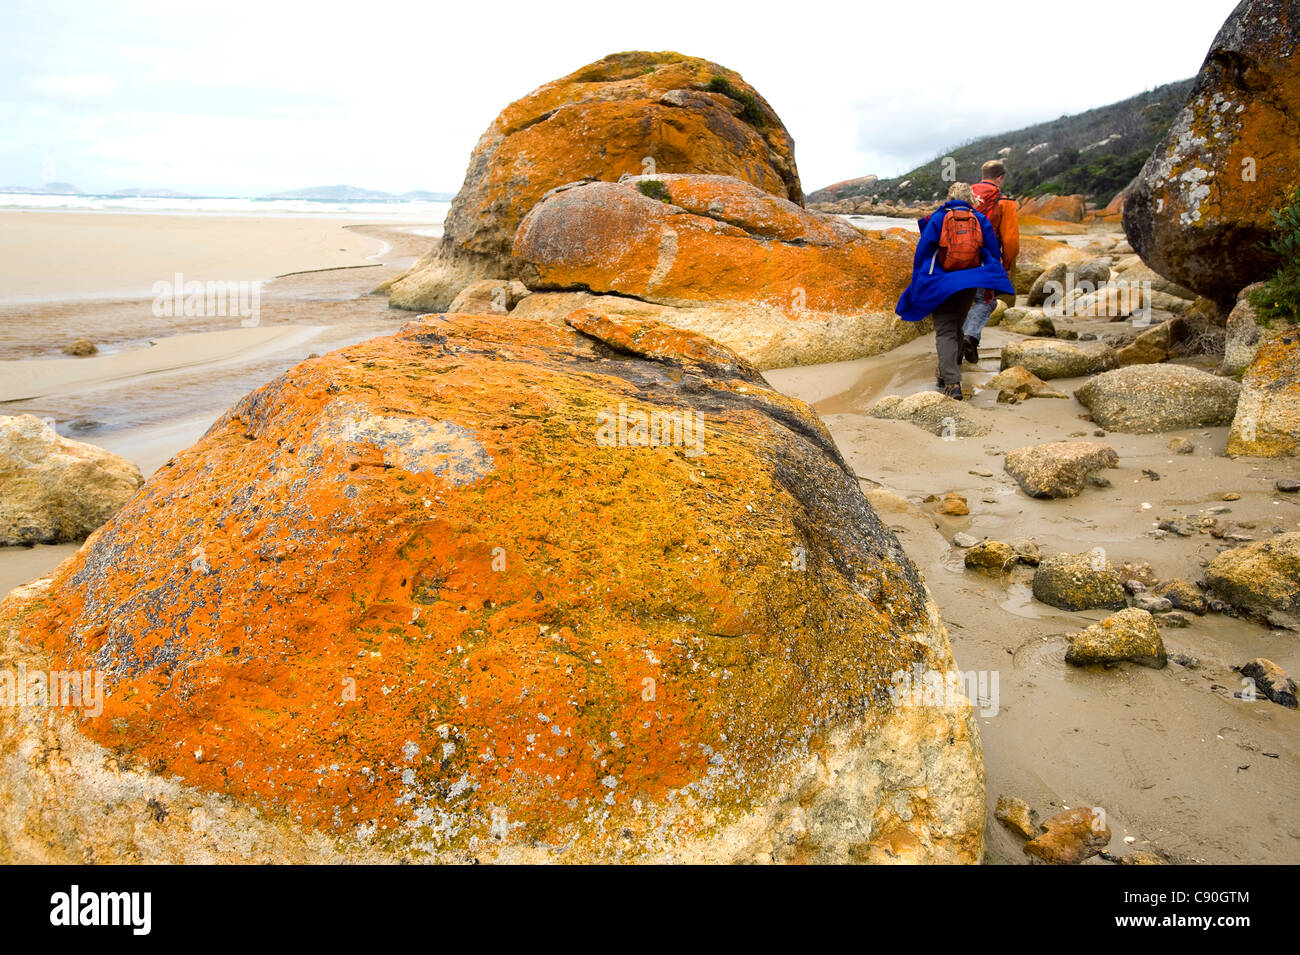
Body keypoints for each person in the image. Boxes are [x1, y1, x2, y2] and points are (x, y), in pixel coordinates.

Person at [895, 181, 1014, 400]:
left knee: (945, 331)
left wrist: (918, 285)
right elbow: (992, 255)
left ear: (949, 198)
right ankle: (947, 372)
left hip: (941, 284)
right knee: (957, 326)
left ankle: (951, 382)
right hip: (969, 283)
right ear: (971, 200)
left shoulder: (938, 219)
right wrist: (990, 287)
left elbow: (922, 255)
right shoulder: (981, 220)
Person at [961, 160, 1020, 364]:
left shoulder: (964, 196)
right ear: (1001, 177)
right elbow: (1011, 240)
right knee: (986, 301)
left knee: (962, 303)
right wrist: (1007, 264)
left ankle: (957, 353)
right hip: (985, 260)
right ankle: (969, 337)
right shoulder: (1003, 201)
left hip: (956, 259)